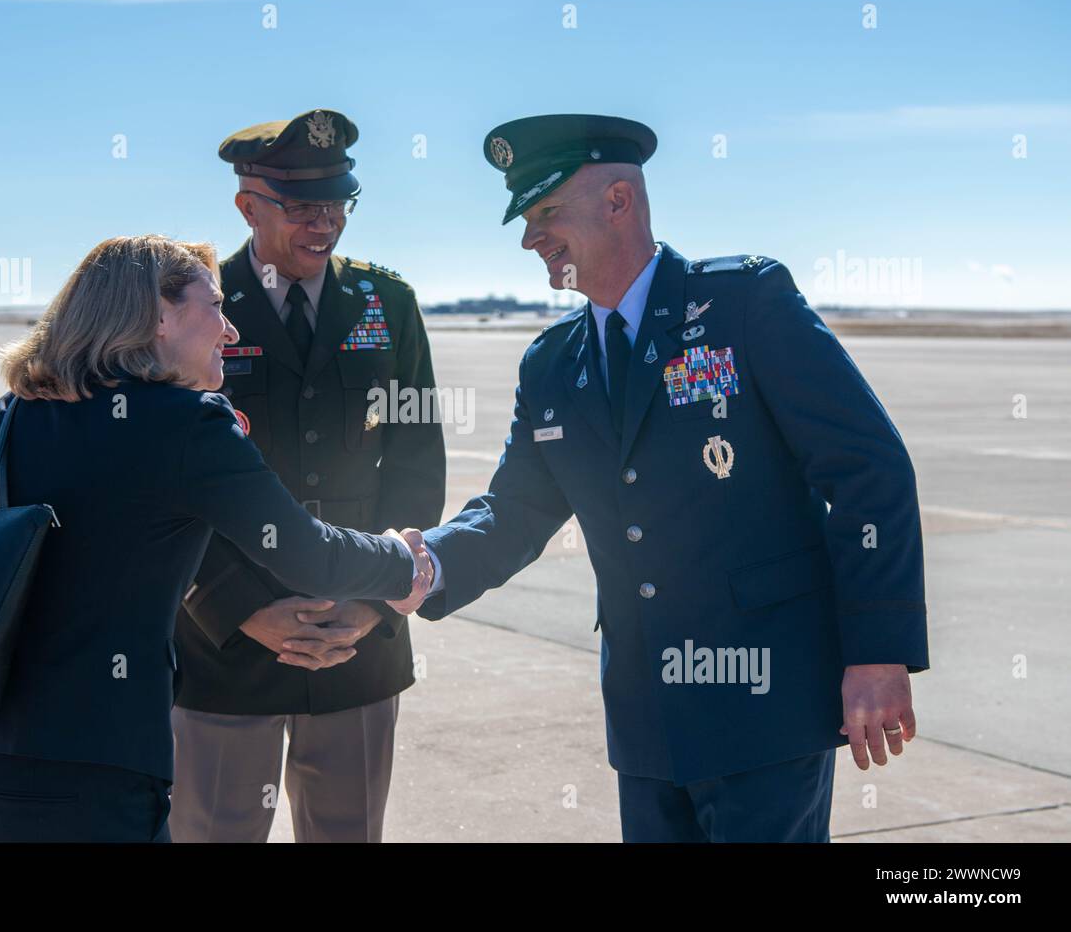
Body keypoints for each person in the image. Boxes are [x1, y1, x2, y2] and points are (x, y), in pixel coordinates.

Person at [392, 114, 930, 842]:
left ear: (619, 201)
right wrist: (425, 561)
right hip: (646, 714)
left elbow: (867, 467)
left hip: (768, 704)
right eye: (525, 218)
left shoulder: (743, 304)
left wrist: (877, 649)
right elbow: (515, 509)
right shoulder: (552, 363)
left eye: (547, 211)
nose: (530, 238)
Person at [0, 234, 430, 842]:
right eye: (214, 306)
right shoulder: (188, 423)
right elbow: (309, 555)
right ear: (156, 316)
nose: (229, 330)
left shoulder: (15, 412)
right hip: (87, 771)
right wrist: (402, 559)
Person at [170, 109, 446, 843]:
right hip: (224, 642)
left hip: (357, 640)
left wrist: (380, 598)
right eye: (301, 207)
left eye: (337, 202)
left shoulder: (388, 304)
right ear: (248, 205)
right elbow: (164, 481)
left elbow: (417, 460)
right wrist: (237, 608)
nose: (324, 223)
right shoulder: (194, 306)